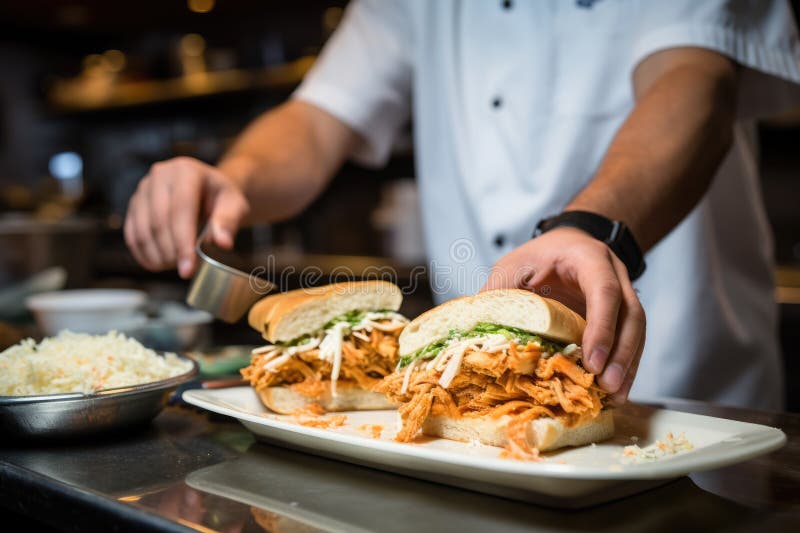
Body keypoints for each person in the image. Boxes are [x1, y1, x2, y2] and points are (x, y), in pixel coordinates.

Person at [125, 1, 800, 410]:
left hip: (683, 380)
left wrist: (590, 229)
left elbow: (697, 84)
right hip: (459, 391)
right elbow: (317, 118)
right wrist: (231, 176)